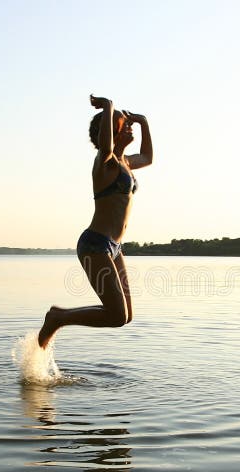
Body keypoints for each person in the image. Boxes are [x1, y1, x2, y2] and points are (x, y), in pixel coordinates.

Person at [37, 94, 153, 348]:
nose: (130, 126)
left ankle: (59, 316)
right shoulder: (106, 163)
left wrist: (144, 122)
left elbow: (148, 157)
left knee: (125, 317)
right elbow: (106, 146)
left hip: (114, 248)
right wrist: (109, 106)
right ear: (111, 132)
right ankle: (58, 318)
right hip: (95, 245)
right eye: (125, 124)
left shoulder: (126, 163)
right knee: (116, 314)